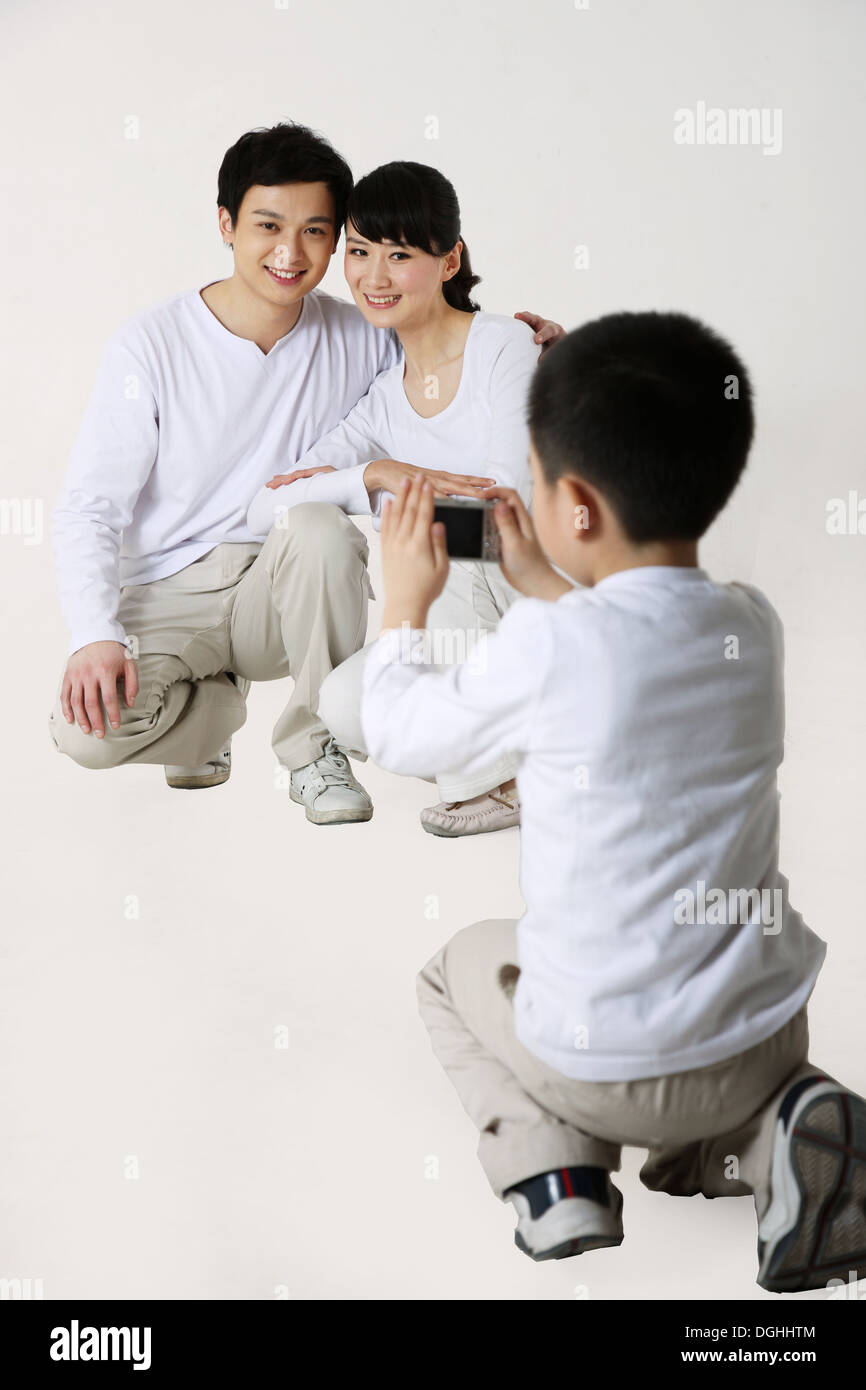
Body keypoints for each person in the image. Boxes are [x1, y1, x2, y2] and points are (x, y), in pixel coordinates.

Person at [359, 311, 865, 1292]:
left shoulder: (547, 651)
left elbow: (399, 732)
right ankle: (772, 1137)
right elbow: (626, 650)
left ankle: (556, 1179)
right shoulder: (746, 627)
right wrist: (540, 577)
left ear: (573, 502)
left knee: (447, 970)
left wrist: (402, 605)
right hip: (758, 1040)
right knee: (720, 1070)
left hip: (599, 1066)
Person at [47, 122, 559, 826]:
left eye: (318, 232)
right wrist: (93, 633)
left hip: (283, 589)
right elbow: (88, 506)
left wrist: (553, 356)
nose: (291, 253)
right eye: (268, 226)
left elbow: (447, 348)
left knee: (319, 527)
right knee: (86, 735)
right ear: (226, 223)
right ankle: (211, 713)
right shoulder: (151, 345)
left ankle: (315, 748)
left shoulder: (362, 335)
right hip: (172, 591)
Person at [246, 161, 541, 837]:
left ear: (449, 261)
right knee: (349, 705)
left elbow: (505, 521)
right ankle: (527, 759)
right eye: (358, 252)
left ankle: (502, 782)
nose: (373, 277)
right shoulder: (382, 402)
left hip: (529, 598)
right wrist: (375, 474)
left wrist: (410, 520)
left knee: (452, 540)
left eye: (400, 254)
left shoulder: (502, 346)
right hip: (448, 620)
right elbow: (270, 503)